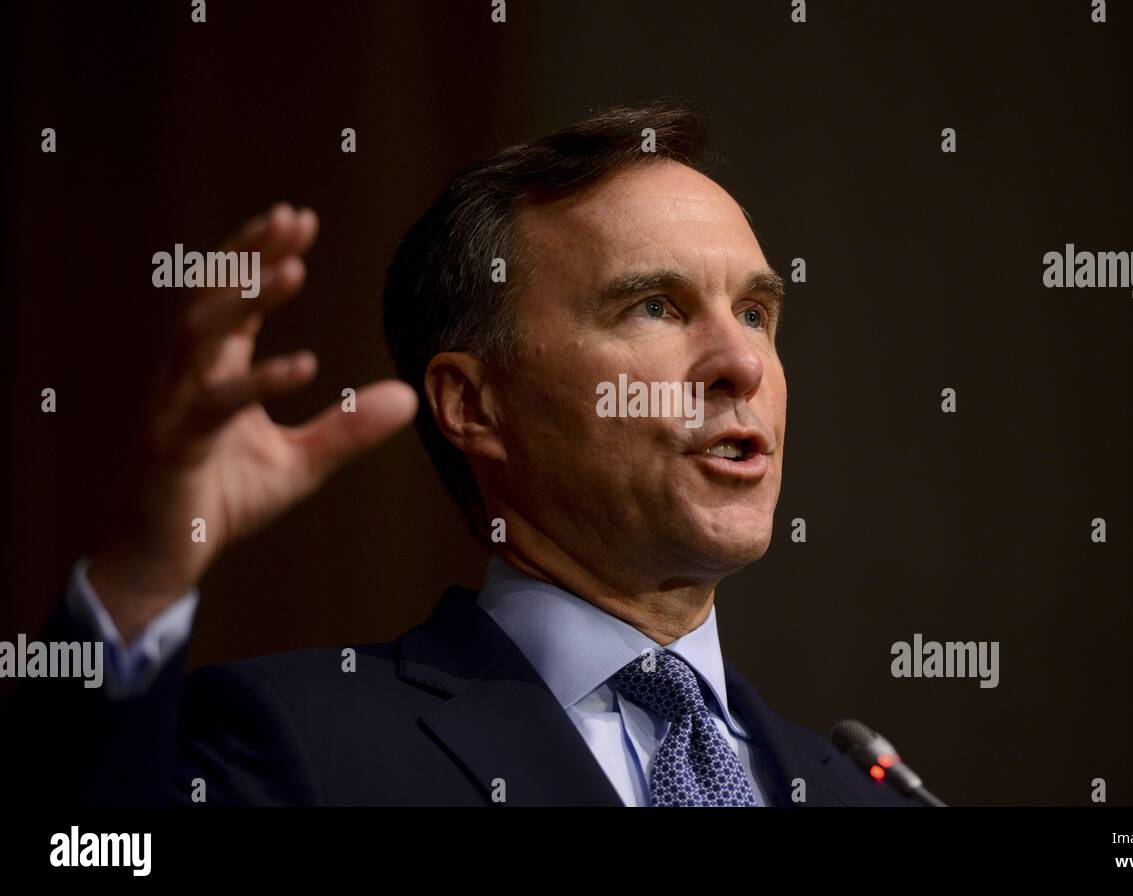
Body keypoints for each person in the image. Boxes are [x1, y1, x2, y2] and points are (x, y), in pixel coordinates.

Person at [2, 103, 923, 807]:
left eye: (757, 313)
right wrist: (143, 572)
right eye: (655, 306)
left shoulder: (858, 788)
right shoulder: (310, 746)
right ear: (473, 404)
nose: (740, 363)